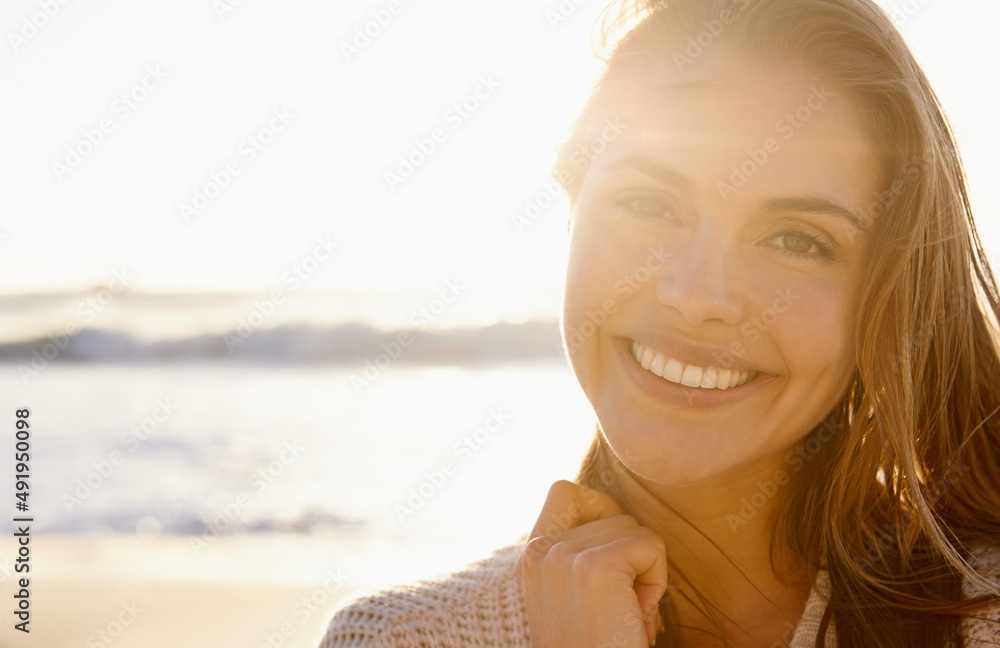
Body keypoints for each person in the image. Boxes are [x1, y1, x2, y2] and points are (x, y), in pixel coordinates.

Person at [317, 0, 1000, 646]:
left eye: (798, 239)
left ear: (889, 294)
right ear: (571, 213)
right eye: (648, 203)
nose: (697, 295)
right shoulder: (401, 637)